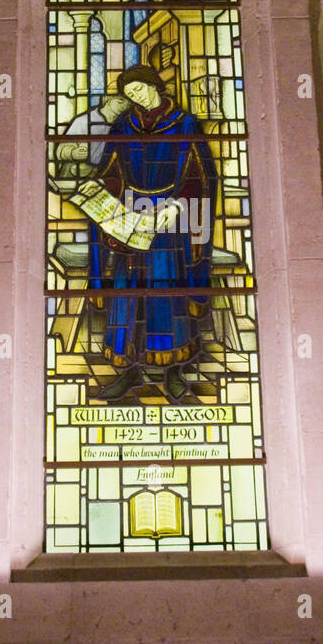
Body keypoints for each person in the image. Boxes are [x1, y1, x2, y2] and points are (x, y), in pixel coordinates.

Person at [87, 65, 216, 401]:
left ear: (155, 85)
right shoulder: (124, 124)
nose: (137, 99)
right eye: (130, 95)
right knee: (127, 293)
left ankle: (174, 371)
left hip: (170, 220)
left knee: (166, 293)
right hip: (131, 215)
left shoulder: (184, 123)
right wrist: (105, 200)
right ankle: (128, 371)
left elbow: (200, 175)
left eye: (140, 90)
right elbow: (112, 169)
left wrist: (178, 206)